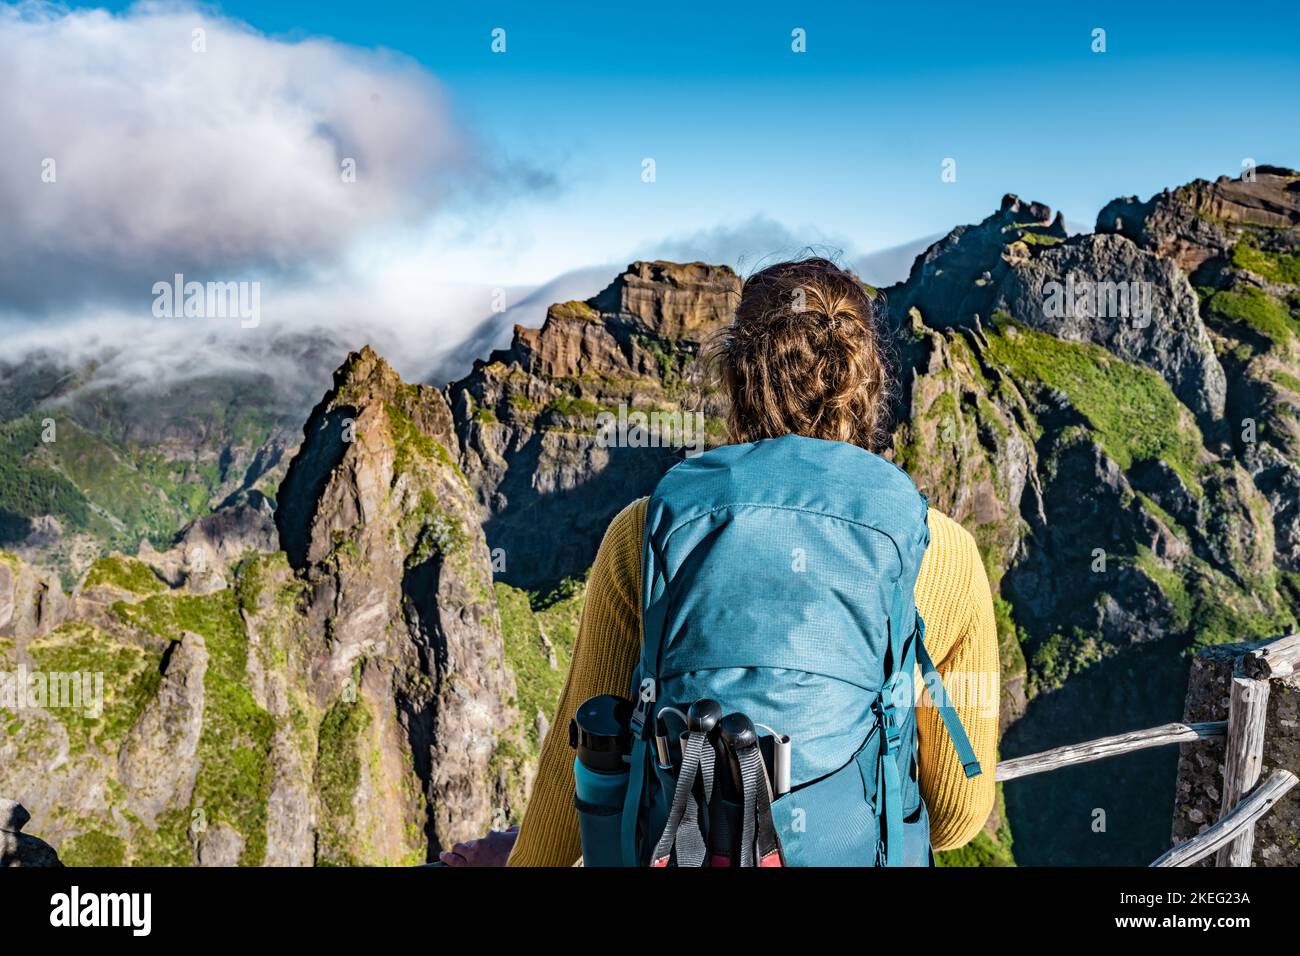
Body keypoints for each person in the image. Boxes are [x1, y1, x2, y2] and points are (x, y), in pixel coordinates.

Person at [440, 258, 999, 867]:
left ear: (737, 377)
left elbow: (577, 775)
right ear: (870, 386)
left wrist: (518, 858)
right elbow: (957, 814)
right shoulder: (939, 551)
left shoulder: (644, 532)